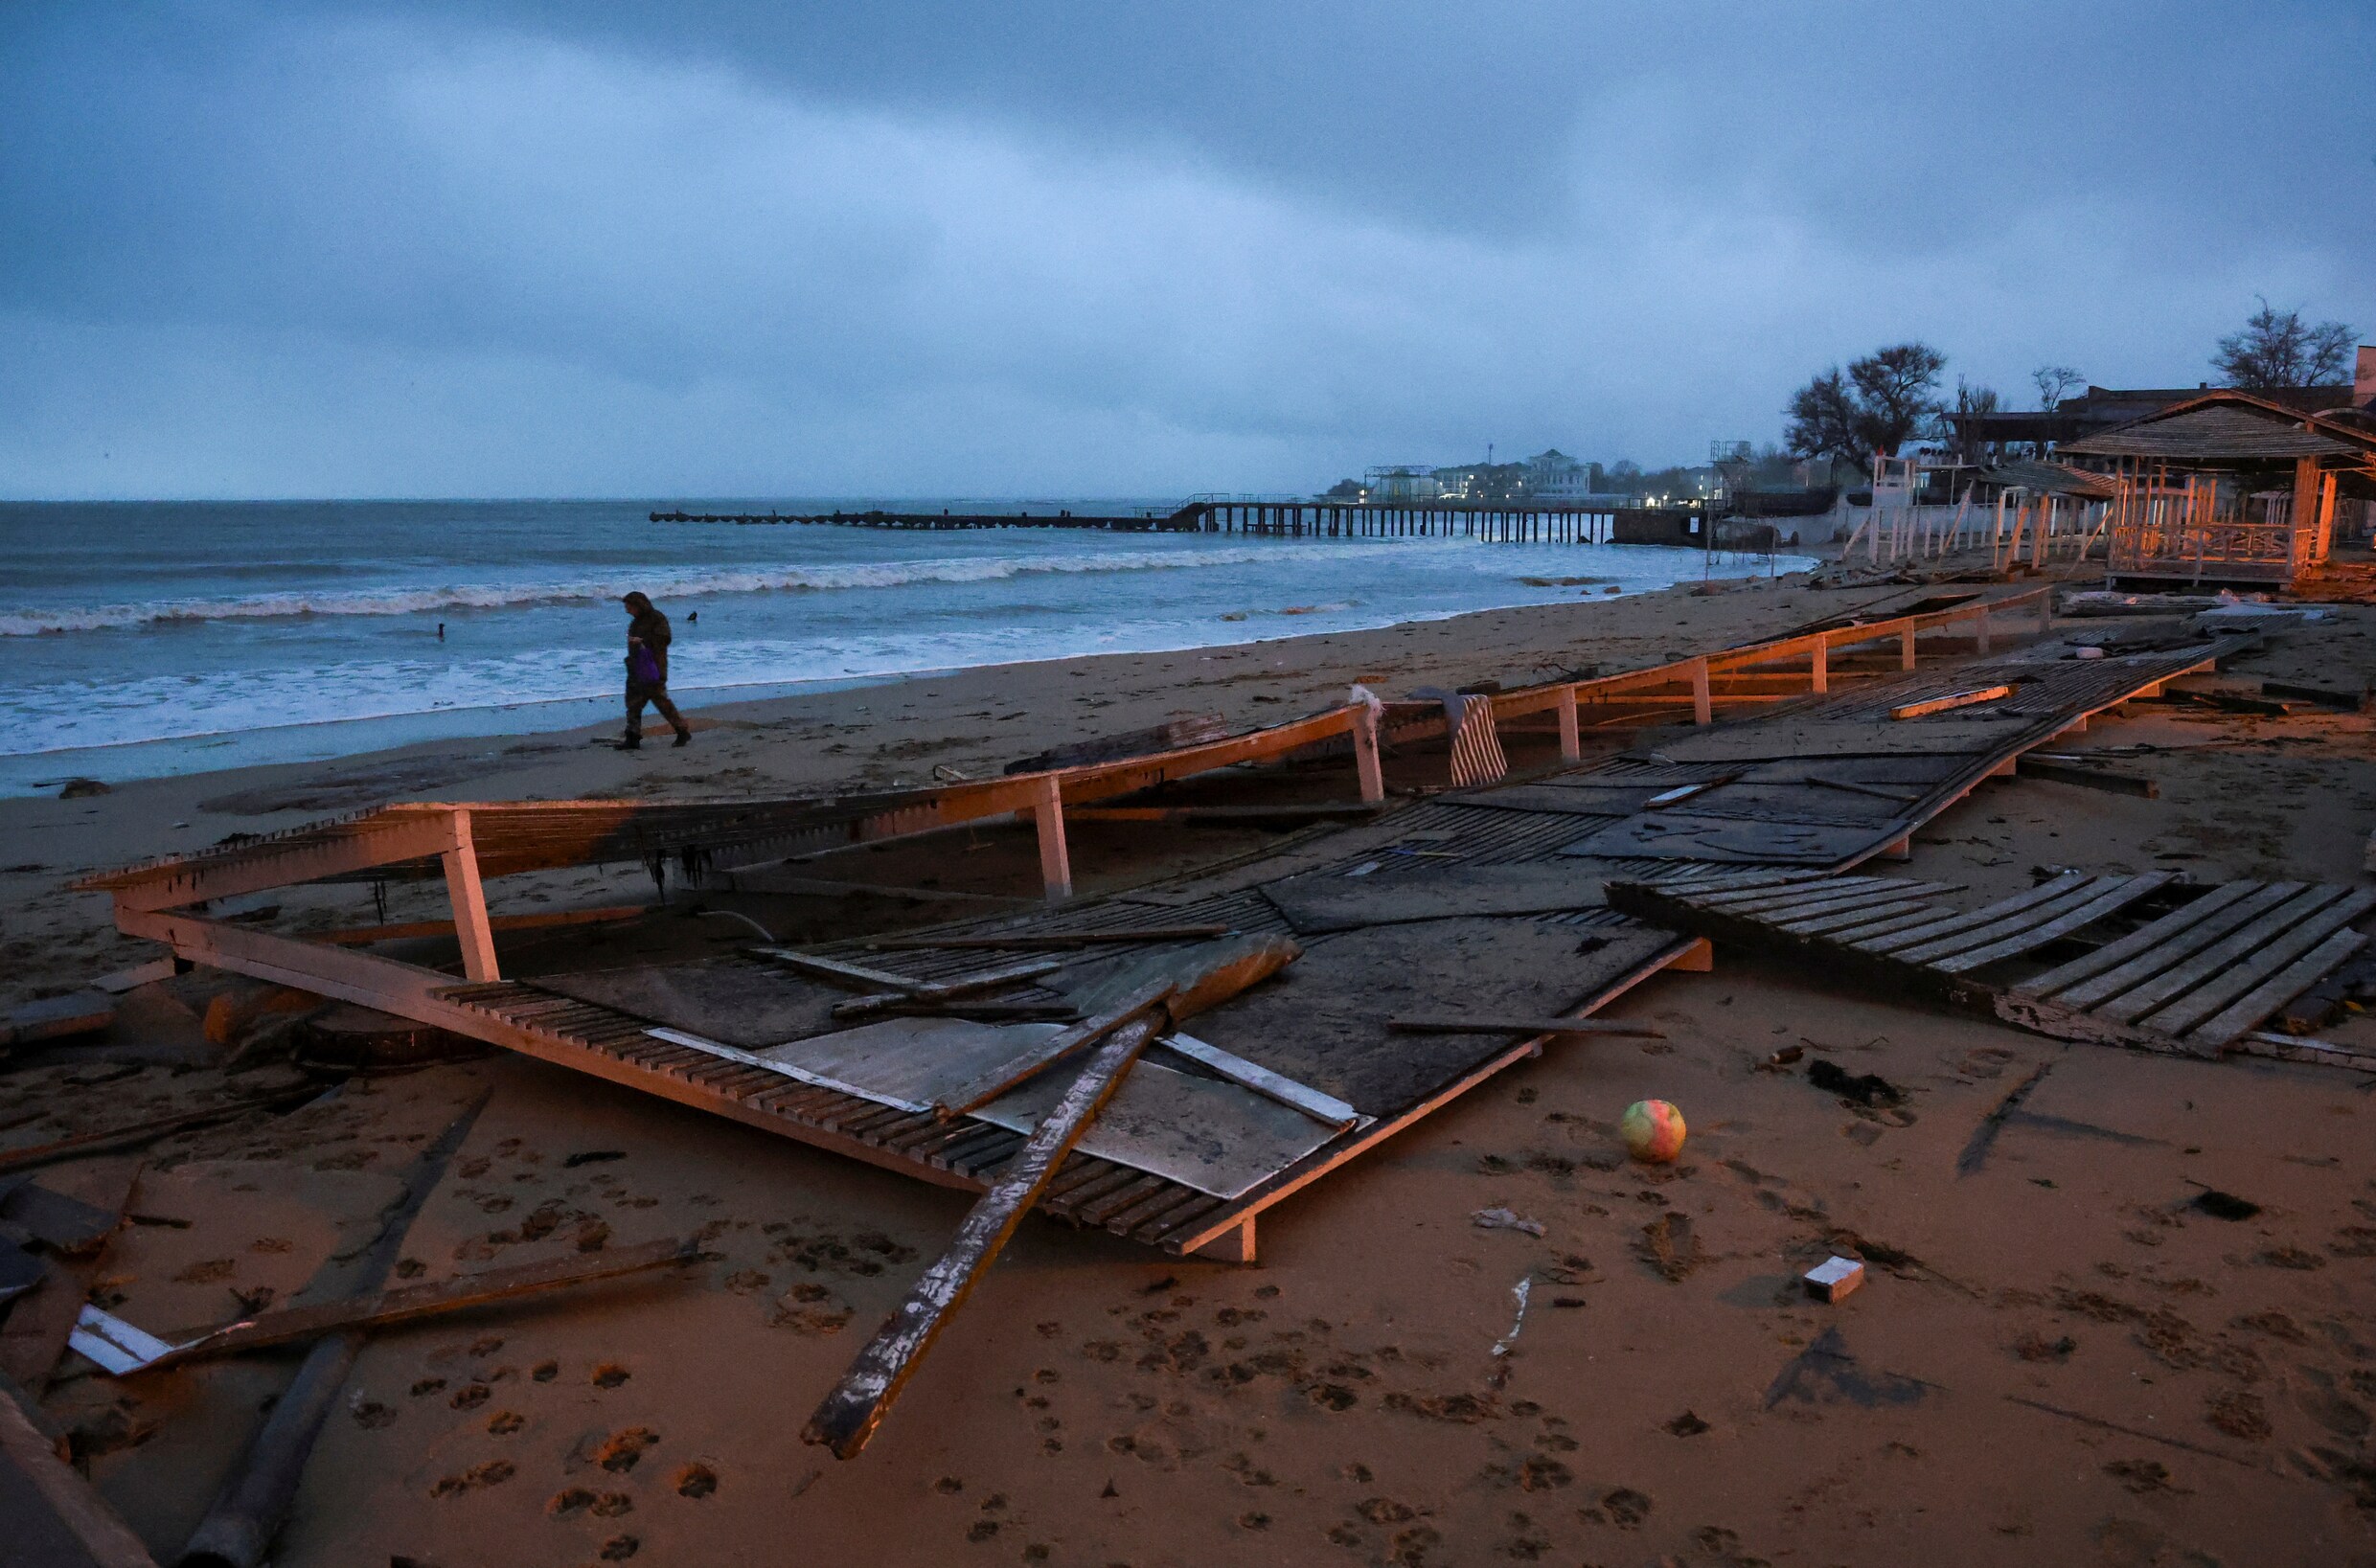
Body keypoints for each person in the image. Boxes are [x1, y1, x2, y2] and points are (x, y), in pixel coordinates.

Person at [619, 591, 692, 749]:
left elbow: (665, 638)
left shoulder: (657, 618)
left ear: (639, 605)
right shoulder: (635, 622)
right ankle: (632, 737)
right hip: (635, 667)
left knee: (661, 702)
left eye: (629, 606)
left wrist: (643, 641)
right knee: (633, 703)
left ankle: (682, 730)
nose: (627, 610)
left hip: (653, 668)